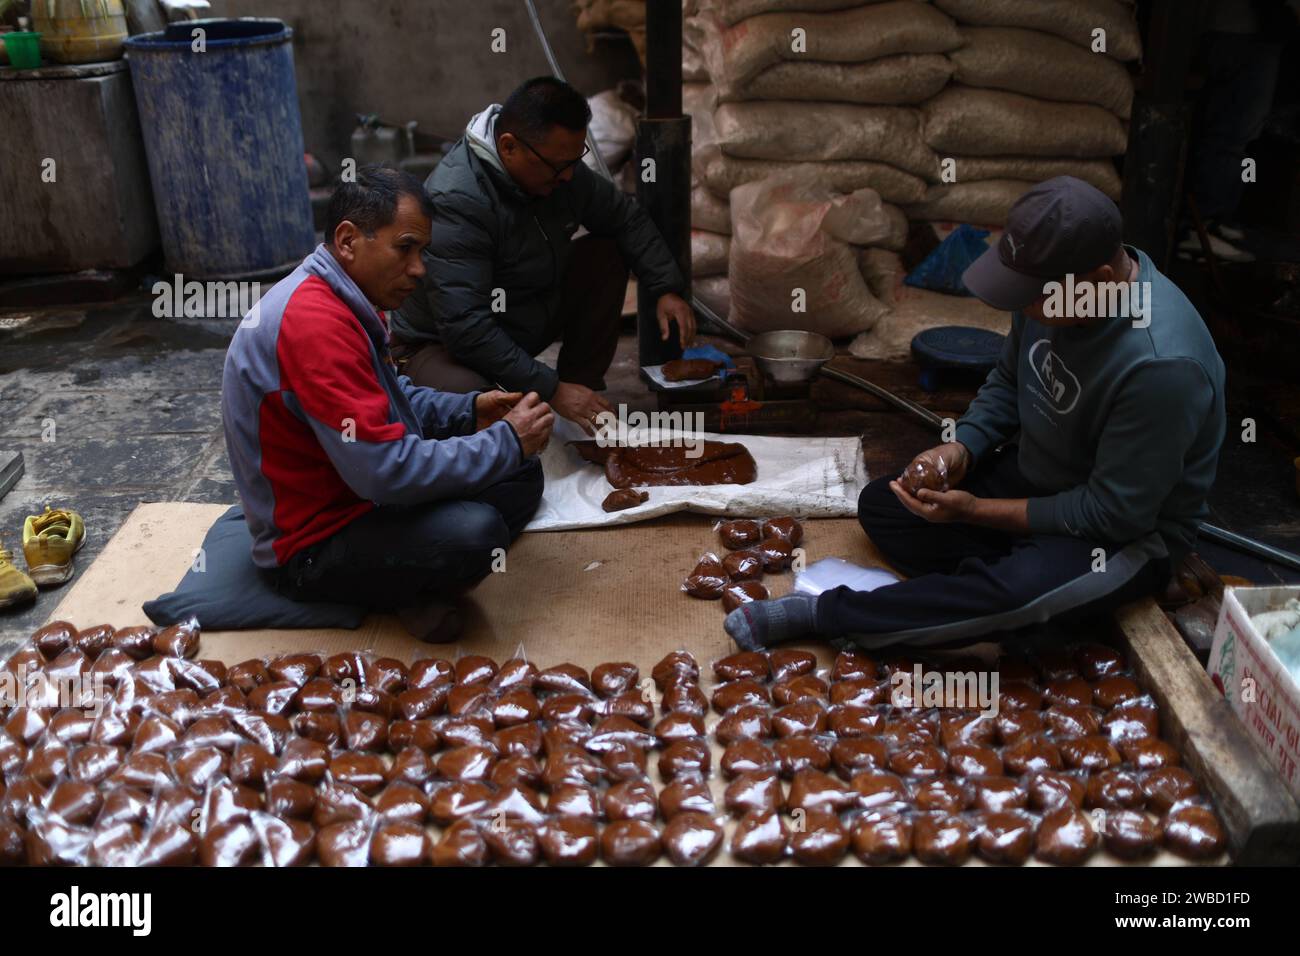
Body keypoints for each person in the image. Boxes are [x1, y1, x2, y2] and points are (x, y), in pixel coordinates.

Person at [726, 177, 1227, 651]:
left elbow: (1109, 513)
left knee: (1015, 593)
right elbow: (1010, 380)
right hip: (1038, 484)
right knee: (886, 505)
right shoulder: (1055, 290)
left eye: (1032, 300)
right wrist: (961, 445)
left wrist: (974, 512)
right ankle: (1043, 599)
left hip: (1119, 532)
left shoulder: (1162, 364)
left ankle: (829, 616)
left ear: (1097, 281)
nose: (1023, 308)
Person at [222, 165, 554, 643]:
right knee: (475, 533)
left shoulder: (348, 294)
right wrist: (504, 440)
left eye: (422, 251)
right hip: (310, 545)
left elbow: (390, 397)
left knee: (522, 472)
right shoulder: (314, 322)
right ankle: (405, 588)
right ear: (348, 239)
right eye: (405, 248)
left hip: (360, 494)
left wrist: (469, 411)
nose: (419, 269)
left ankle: (409, 580)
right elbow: (384, 470)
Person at [390, 76, 695, 434]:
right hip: (439, 346)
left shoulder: (558, 170)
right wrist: (550, 389)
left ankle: (584, 394)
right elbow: (466, 329)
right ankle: (549, 399)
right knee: (488, 415)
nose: (568, 175)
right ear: (508, 147)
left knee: (605, 252)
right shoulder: (457, 200)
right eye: (558, 165)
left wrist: (665, 287)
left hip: (516, 317)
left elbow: (624, 217)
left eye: (575, 159)